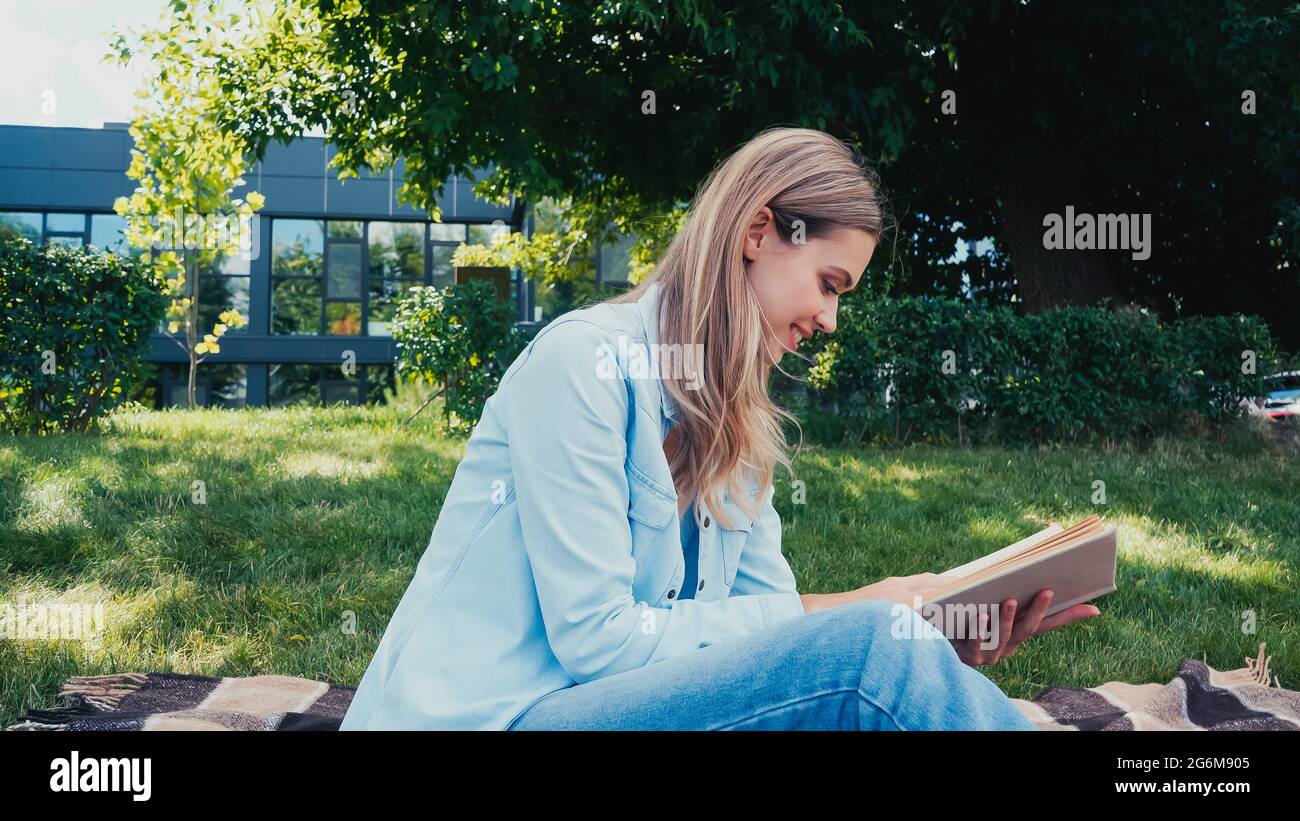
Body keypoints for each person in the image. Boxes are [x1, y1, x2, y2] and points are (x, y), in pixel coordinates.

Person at [339, 126, 1099, 731]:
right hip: (493, 715)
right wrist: (871, 618)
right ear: (758, 232)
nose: (831, 320)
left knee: (877, 654)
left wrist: (933, 642)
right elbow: (601, 645)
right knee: (867, 648)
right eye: (829, 284)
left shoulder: (737, 426)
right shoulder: (583, 365)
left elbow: (781, 656)